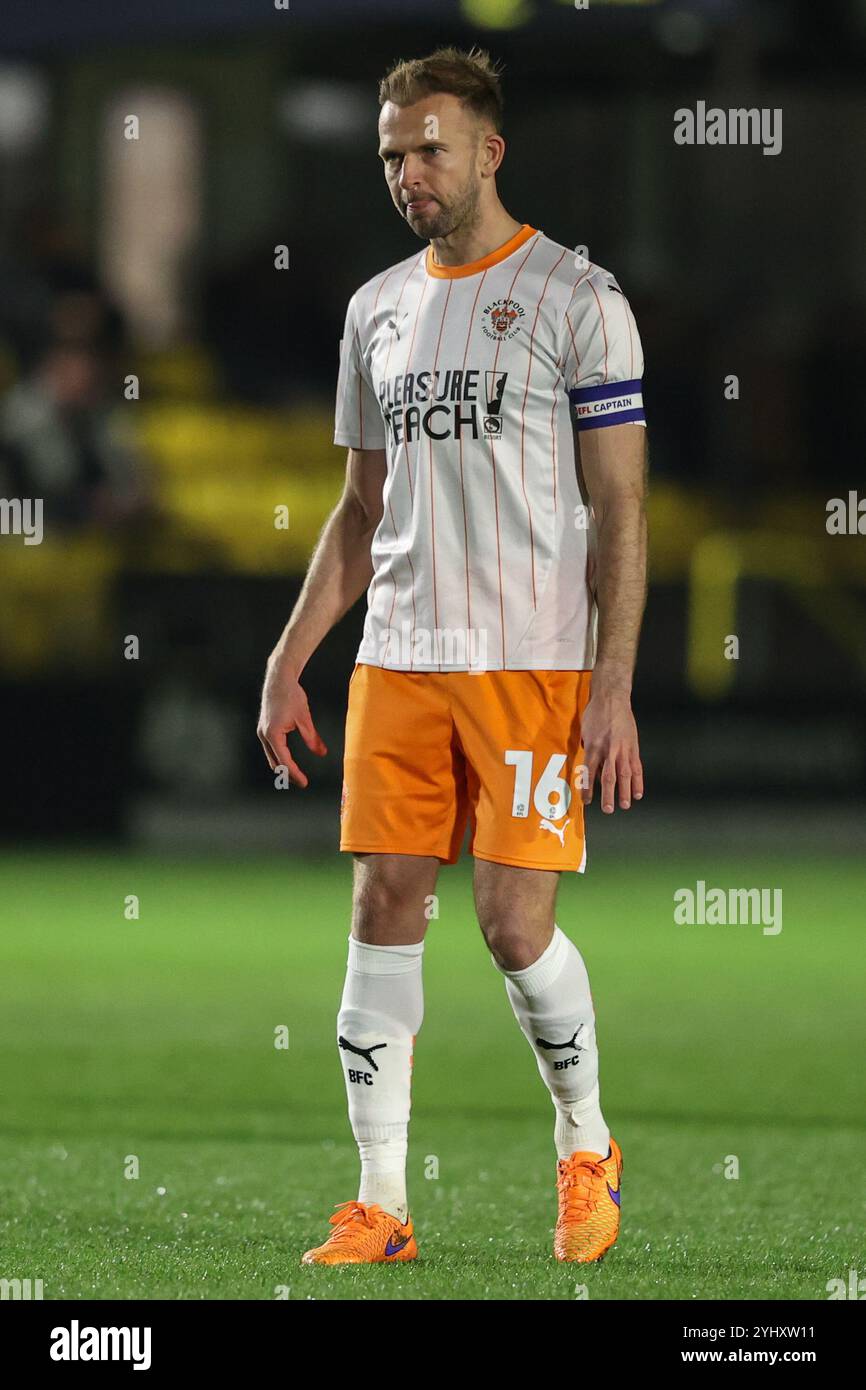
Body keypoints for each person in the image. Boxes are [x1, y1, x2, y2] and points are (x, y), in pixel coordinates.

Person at [257, 45, 647, 1266]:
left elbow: (622, 514)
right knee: (380, 907)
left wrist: (614, 688)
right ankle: (380, 1204)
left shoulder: (580, 299)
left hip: (531, 663)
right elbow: (359, 509)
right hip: (398, 660)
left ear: (488, 148)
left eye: (427, 147)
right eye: (388, 155)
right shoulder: (374, 309)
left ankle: (585, 1144)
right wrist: (288, 659)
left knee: (510, 925)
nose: (406, 172)